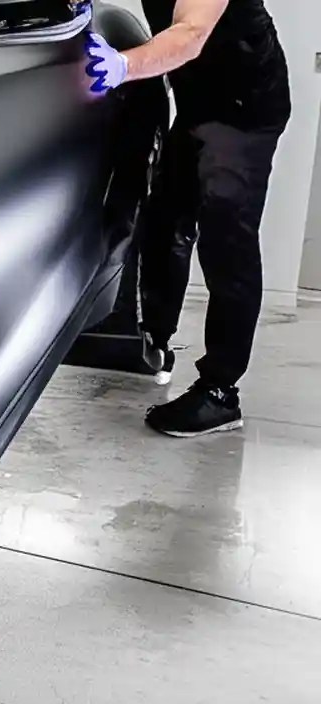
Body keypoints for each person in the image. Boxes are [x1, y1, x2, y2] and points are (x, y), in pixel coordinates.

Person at [84, 0, 291, 438]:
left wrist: (124, 66)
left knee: (226, 243)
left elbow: (191, 34)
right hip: (199, 99)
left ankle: (220, 392)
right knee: (165, 220)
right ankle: (152, 340)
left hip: (243, 108)